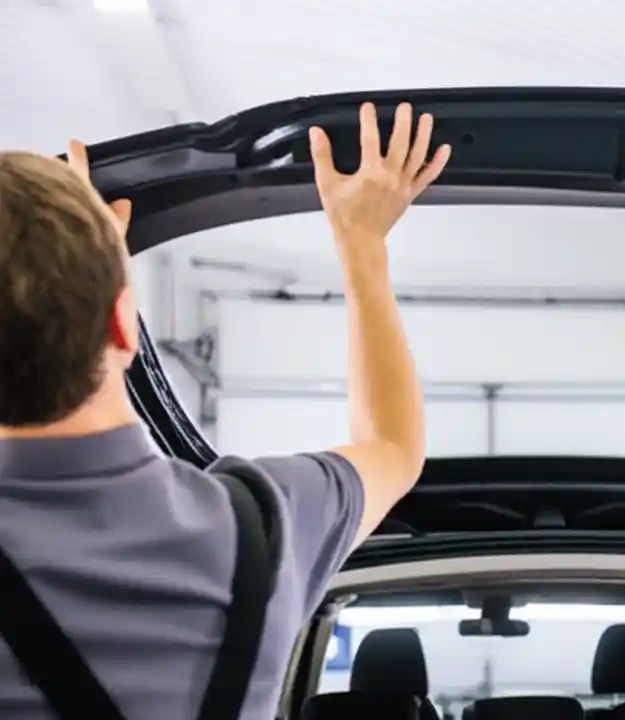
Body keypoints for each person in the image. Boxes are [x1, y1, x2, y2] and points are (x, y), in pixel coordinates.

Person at [0, 102, 450, 718]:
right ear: (123, 324)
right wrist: (362, 242)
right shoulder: (258, 527)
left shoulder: (269, 522)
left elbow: (394, 448)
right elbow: (394, 447)